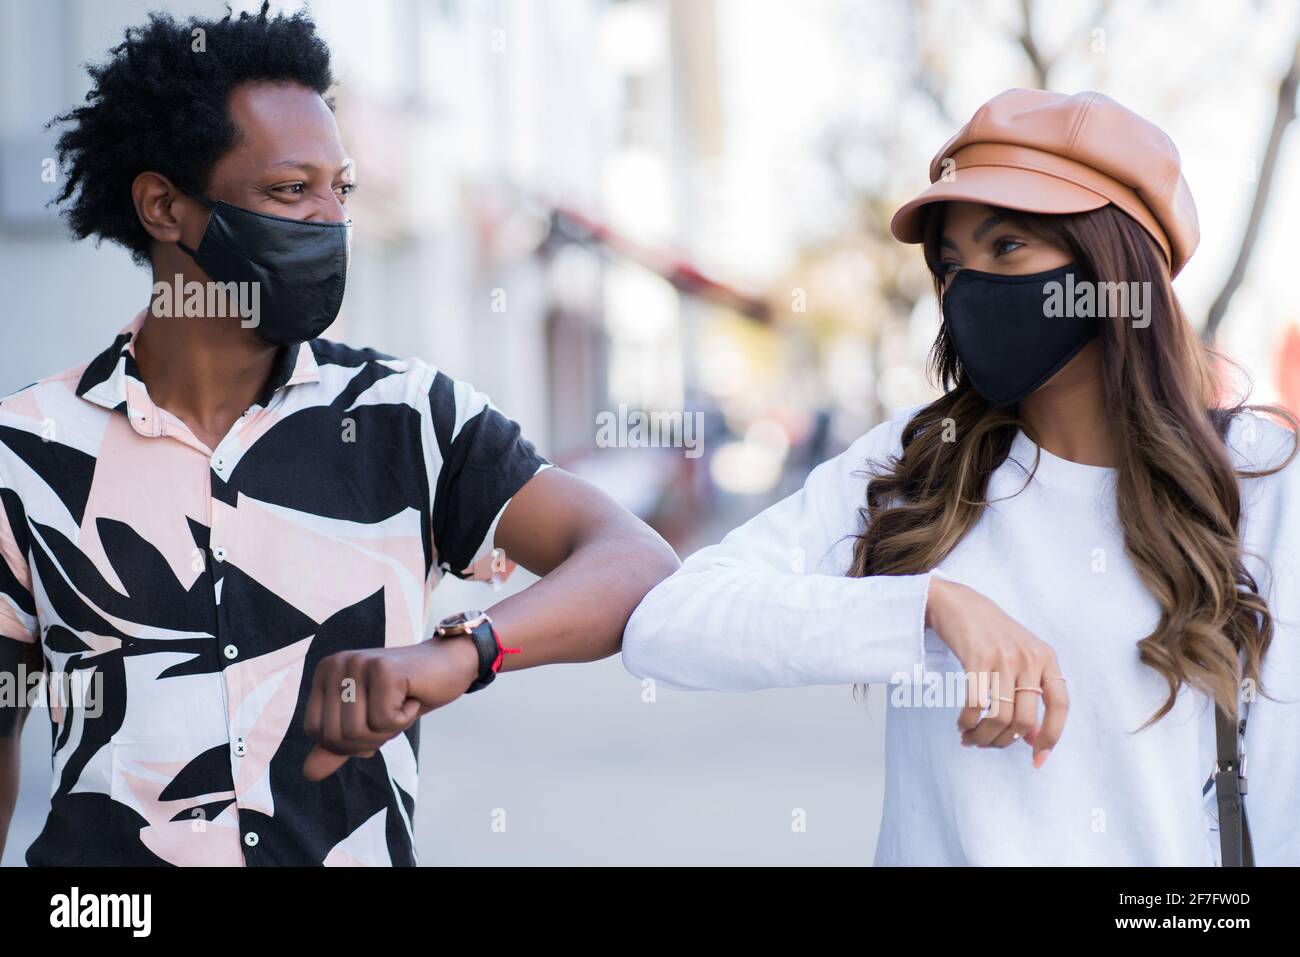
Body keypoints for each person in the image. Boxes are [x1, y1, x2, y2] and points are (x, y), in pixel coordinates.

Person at [0, 4, 678, 866]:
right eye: (292, 190)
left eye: (340, 189)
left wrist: (463, 653)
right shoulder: (25, 451)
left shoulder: (408, 418)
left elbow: (635, 560)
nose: (331, 219)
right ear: (165, 207)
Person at [622, 88, 1300, 866]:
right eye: (951, 264)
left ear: (1114, 263)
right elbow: (666, 623)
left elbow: (1282, 814)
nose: (968, 288)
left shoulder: (1257, 482)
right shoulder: (915, 464)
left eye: (1007, 247)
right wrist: (926, 607)